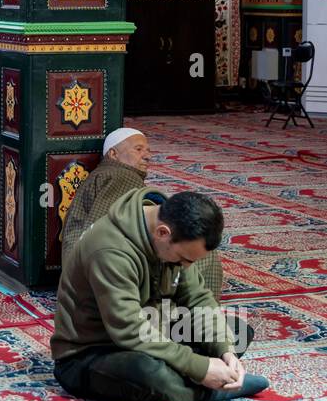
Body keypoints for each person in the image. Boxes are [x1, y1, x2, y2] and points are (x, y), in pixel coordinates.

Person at [51, 187, 269, 401]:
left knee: (236, 332)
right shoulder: (110, 250)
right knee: (147, 372)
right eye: (184, 259)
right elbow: (130, 330)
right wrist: (199, 367)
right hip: (94, 352)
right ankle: (214, 391)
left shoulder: (174, 238)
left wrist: (225, 350)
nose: (186, 267)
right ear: (163, 233)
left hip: (156, 331)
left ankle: (157, 397)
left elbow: (198, 299)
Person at [62, 126, 224, 300]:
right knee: (197, 246)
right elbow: (113, 229)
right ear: (113, 154)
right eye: (138, 149)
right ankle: (194, 317)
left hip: (81, 276)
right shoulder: (119, 175)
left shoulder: (106, 175)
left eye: (148, 151)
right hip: (95, 279)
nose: (147, 156)